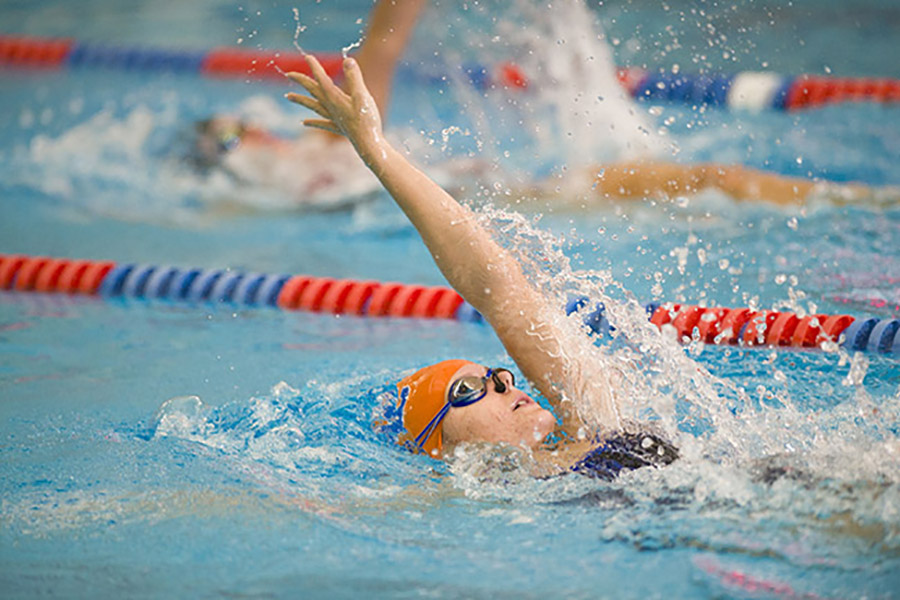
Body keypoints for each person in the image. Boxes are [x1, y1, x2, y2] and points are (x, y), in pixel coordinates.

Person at [286, 55, 679, 480]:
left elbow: (500, 291)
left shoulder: (595, 424)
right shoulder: (464, 498)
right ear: (440, 445)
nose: (504, 384)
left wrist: (376, 149)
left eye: (497, 376)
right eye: (469, 390)